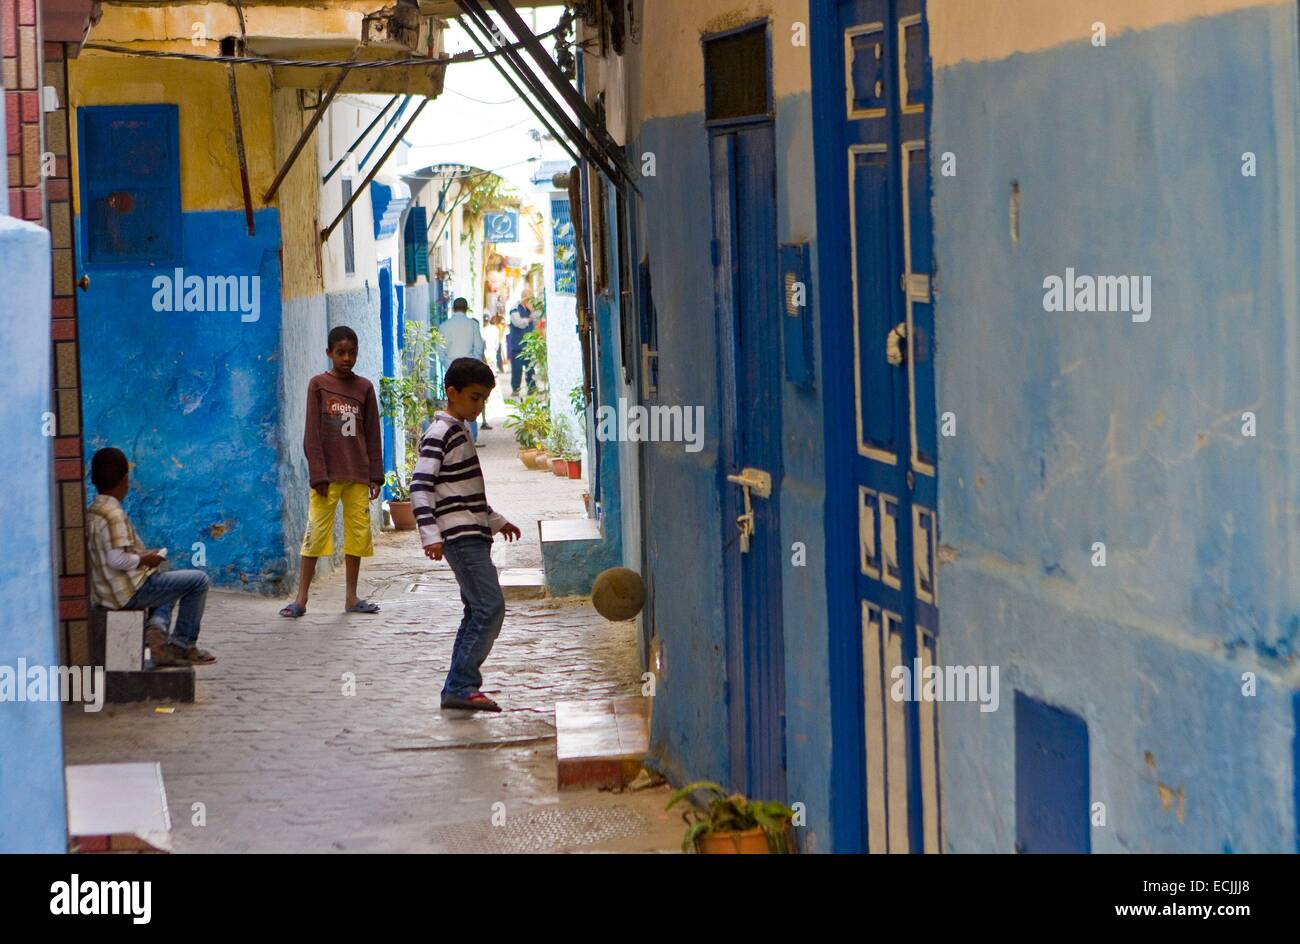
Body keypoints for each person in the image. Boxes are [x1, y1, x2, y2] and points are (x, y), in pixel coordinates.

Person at [410, 357, 522, 712]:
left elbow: (463, 493)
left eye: (484, 400)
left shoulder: (457, 431)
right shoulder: (441, 433)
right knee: (490, 608)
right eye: (474, 398)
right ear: (452, 393)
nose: (479, 406)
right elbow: (420, 486)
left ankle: (458, 686)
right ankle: (461, 685)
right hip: (460, 539)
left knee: (476, 610)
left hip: (474, 534)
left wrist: (497, 521)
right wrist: (430, 535)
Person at [280, 325, 384, 618]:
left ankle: (351, 597)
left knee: (357, 535)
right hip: (327, 478)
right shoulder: (318, 385)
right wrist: (318, 474)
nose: (346, 358)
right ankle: (300, 599)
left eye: (352, 353)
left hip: (358, 475)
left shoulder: (364, 388)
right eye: (340, 353)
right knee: (315, 534)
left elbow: (373, 433)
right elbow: (311, 434)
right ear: (329, 353)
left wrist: (375, 475)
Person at [86, 447, 215, 666]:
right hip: (125, 593)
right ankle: (182, 645)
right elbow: (115, 559)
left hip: (106, 592)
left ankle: (157, 629)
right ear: (125, 480)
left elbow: (111, 553)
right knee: (197, 581)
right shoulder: (114, 514)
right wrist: (143, 560)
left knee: (166, 580)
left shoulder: (94, 512)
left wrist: (142, 556)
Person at [438, 297, 487, 441]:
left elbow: (440, 351)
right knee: (472, 400)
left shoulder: (444, 326)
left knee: (453, 402)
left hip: (451, 370)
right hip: (470, 371)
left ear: (453, 309)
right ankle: (472, 437)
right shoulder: (473, 325)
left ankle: (455, 436)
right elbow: (478, 348)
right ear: (466, 309)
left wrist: (448, 365)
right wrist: (473, 365)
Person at [507, 295, 536, 397]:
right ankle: (516, 389)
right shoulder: (514, 308)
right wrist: (529, 319)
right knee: (517, 368)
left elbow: (536, 320)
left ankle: (532, 388)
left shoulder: (530, 309)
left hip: (529, 345)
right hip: (517, 345)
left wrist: (532, 311)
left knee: (530, 368)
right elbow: (518, 322)